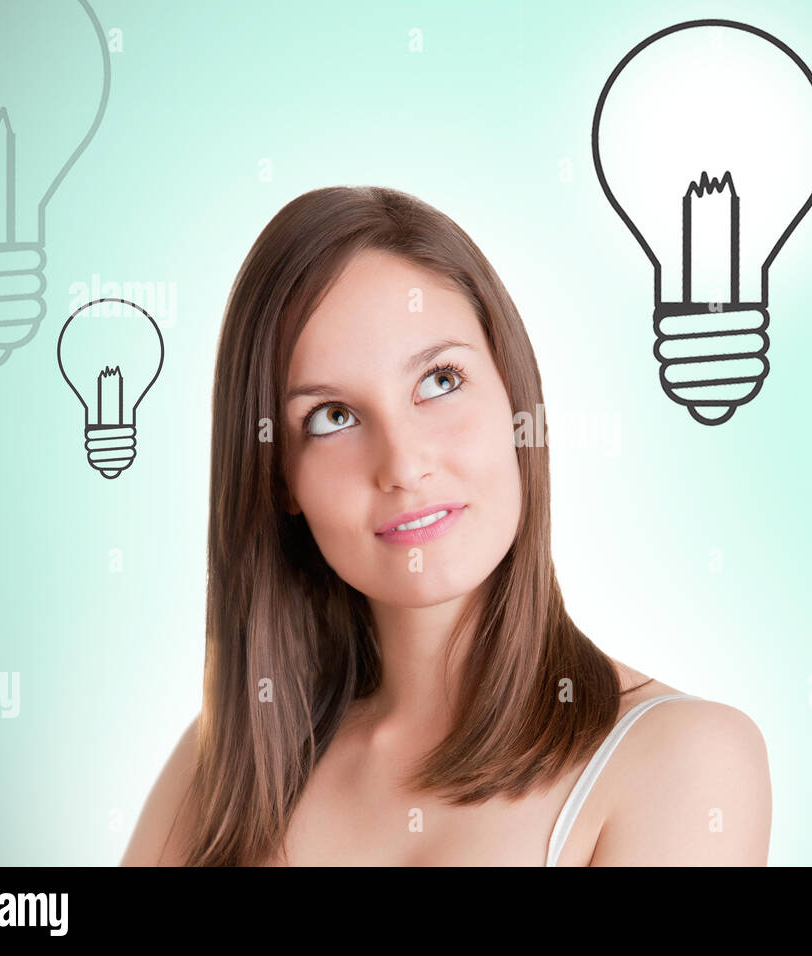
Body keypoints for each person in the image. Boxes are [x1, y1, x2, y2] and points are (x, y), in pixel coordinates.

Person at [120, 185, 770, 866]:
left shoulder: (685, 761)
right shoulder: (225, 767)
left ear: (516, 398)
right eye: (333, 416)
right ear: (281, 478)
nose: (402, 465)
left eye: (439, 380)